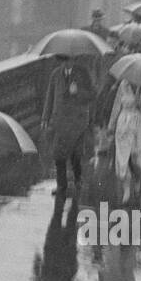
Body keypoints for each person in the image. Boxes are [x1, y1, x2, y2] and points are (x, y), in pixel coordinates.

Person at [41, 55, 96, 199]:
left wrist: (77, 92)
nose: (66, 64)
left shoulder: (83, 73)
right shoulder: (55, 74)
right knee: (58, 155)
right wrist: (45, 117)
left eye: (69, 60)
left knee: (75, 155)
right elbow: (50, 96)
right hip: (60, 121)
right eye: (63, 61)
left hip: (77, 122)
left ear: (74, 60)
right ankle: (61, 185)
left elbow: (92, 94)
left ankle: (78, 181)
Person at [107, 84, 141, 205]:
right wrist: (111, 124)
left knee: (136, 157)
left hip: (140, 123)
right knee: (123, 157)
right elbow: (117, 105)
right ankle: (126, 190)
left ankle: (137, 183)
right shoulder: (123, 84)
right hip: (124, 123)